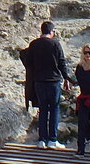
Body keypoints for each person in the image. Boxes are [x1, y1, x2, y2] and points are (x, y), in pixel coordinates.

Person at [20, 21, 72, 149]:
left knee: (43, 109)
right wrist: (66, 78)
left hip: (39, 81)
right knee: (54, 109)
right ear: (52, 31)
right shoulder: (55, 44)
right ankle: (52, 140)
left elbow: (28, 63)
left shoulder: (33, 44)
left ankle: (42, 140)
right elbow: (61, 63)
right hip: (53, 81)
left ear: (41, 31)